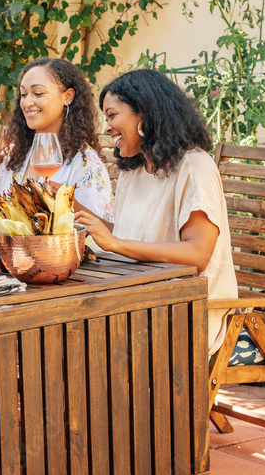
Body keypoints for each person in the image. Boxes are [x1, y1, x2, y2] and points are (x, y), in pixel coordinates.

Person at [74, 69, 238, 355]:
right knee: (66, 331)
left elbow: (197, 254)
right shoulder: (135, 169)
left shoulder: (194, 166)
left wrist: (116, 244)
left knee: (83, 344)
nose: (107, 127)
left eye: (112, 115)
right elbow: (125, 237)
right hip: (138, 304)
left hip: (188, 313)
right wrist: (70, 206)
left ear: (144, 114)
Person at [0, 57, 114, 220]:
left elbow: (98, 231)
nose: (27, 103)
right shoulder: (11, 157)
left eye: (38, 93)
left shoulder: (85, 164)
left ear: (67, 96)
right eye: (23, 94)